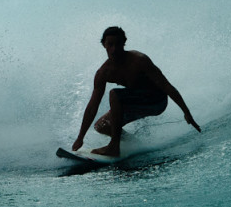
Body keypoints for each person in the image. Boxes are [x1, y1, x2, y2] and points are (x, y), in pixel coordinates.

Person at [72, 26, 200, 156]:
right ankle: (135, 144)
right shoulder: (103, 73)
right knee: (102, 126)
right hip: (136, 102)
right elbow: (92, 107)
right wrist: (80, 137)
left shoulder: (139, 60)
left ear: (124, 43)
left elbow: (166, 85)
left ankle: (114, 147)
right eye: (110, 44)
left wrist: (186, 112)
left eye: (118, 44)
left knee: (115, 94)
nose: (114, 49)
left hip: (157, 101)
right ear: (104, 45)